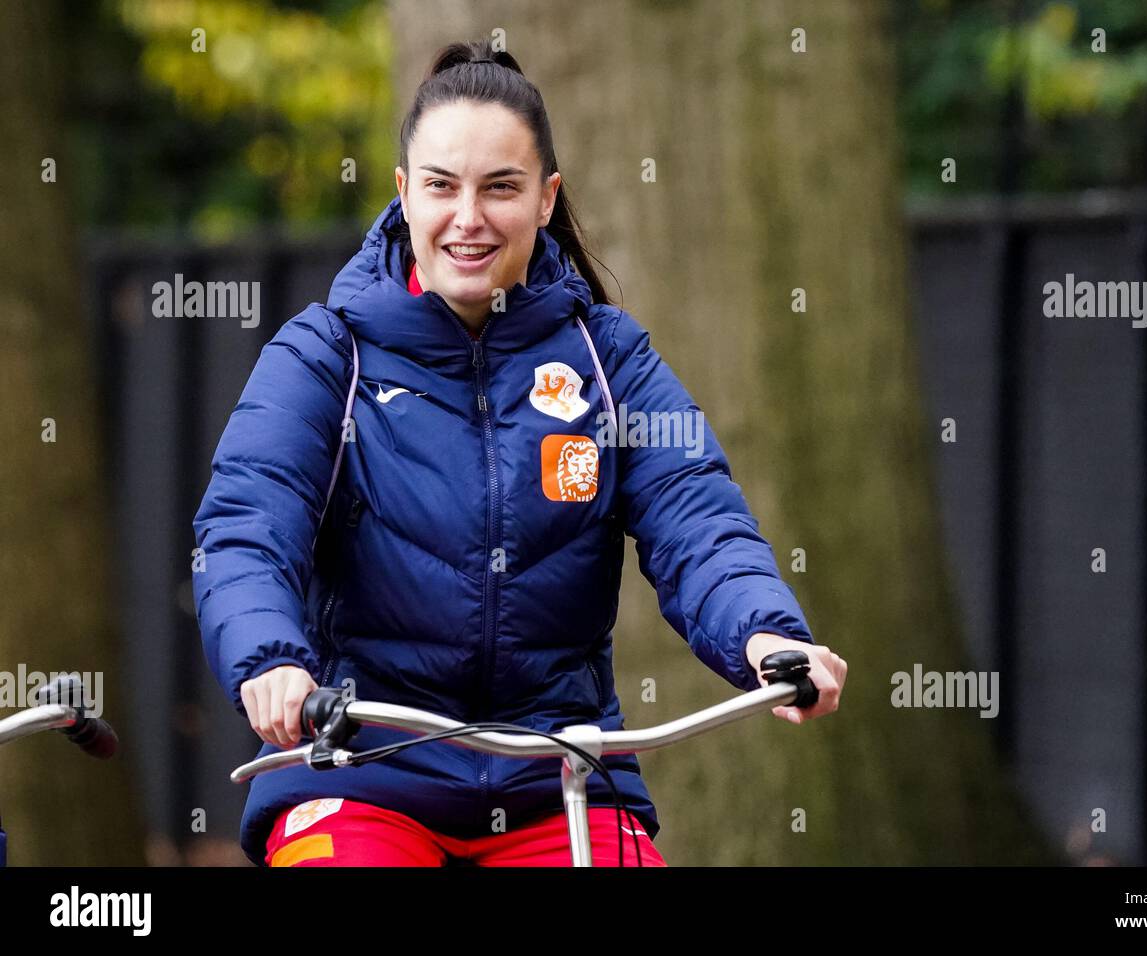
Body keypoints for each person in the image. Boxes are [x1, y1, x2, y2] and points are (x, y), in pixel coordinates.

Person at [191, 39, 847, 868]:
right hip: (359, 771)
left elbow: (698, 521)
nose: (468, 218)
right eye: (440, 186)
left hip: (557, 776)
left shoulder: (609, 362)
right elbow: (247, 531)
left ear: (546, 198)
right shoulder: (326, 357)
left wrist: (765, 638)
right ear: (402, 193)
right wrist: (271, 662)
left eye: (501, 187)